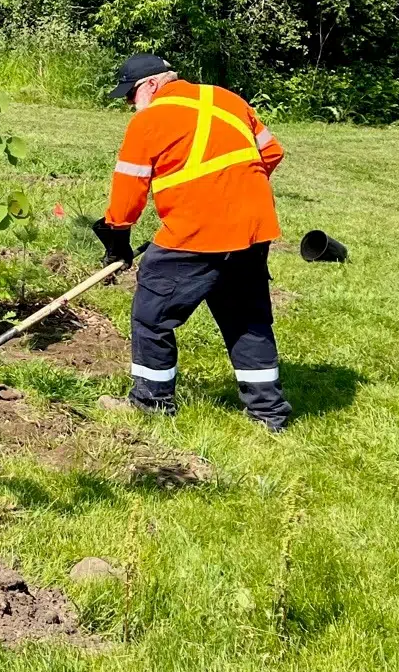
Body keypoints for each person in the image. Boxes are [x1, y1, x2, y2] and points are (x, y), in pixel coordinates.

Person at [96, 54, 293, 431]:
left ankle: (151, 402)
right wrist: (232, 189)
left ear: (151, 85)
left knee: (152, 314)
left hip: (194, 233)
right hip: (253, 229)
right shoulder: (229, 100)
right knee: (246, 318)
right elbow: (271, 152)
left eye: (130, 95)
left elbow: (128, 190)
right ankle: (268, 414)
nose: (129, 104)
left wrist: (117, 237)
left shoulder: (149, 120)